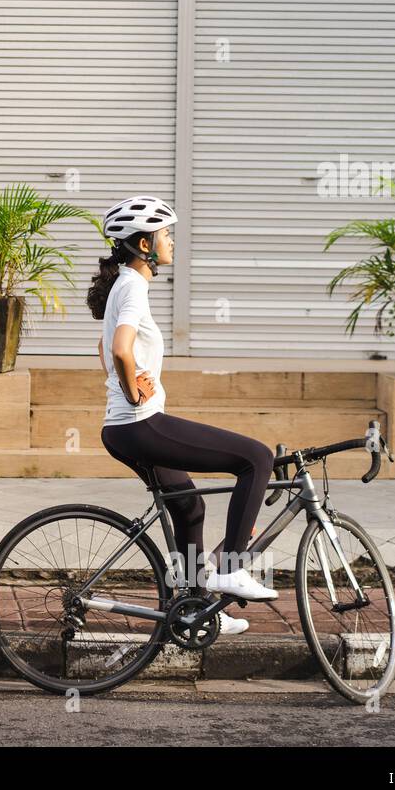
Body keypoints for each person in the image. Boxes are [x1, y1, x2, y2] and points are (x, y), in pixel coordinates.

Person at [88, 195, 278, 633]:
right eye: (166, 234)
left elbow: (104, 348)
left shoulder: (123, 282)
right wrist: (132, 387)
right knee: (257, 458)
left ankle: (194, 612)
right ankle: (231, 568)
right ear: (143, 243)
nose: (171, 240)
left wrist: (127, 379)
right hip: (139, 425)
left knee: (190, 509)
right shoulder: (133, 284)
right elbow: (117, 348)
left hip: (123, 429)